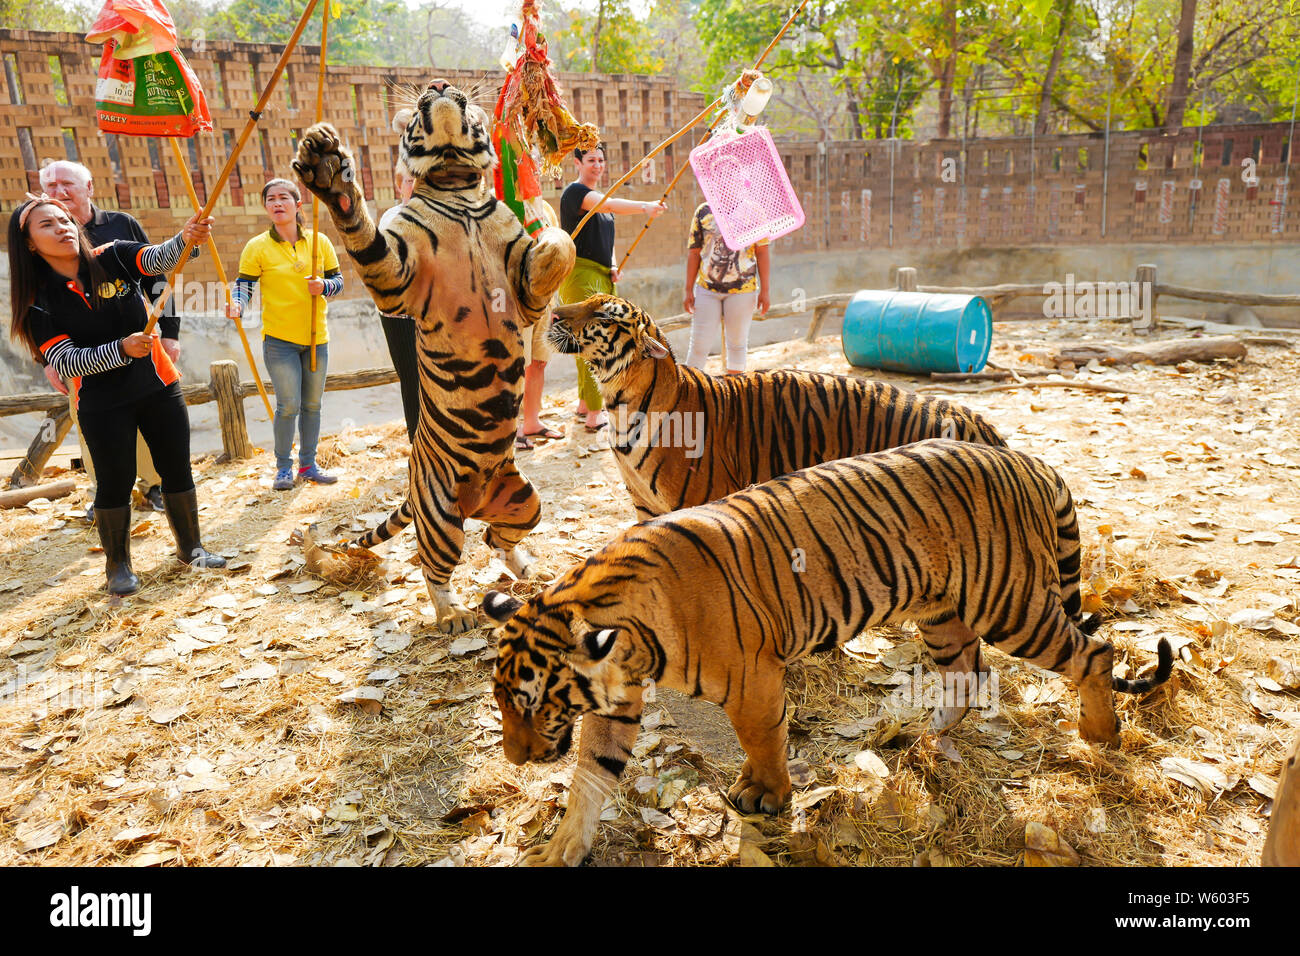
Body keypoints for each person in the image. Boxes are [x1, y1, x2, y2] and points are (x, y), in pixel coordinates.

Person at [7, 194, 227, 596]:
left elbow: (159, 259)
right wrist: (120, 350)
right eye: (48, 224)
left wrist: (186, 237)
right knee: (114, 481)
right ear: (29, 245)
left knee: (176, 469)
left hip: (158, 384)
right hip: (101, 403)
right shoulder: (38, 302)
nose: (63, 227)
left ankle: (192, 549)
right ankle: (118, 567)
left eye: (65, 219)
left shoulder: (114, 256)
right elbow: (67, 360)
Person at [39, 160, 192, 517]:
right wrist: (47, 359)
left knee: (152, 415)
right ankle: (106, 494)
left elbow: (157, 276)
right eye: (50, 188)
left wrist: (169, 333)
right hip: (84, 357)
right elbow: (38, 311)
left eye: (67, 185)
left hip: (141, 344)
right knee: (91, 423)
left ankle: (155, 486)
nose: (59, 194)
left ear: (89, 187)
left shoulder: (121, 226)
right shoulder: (43, 244)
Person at [226, 178, 345, 490]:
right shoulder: (257, 247)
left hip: (317, 338)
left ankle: (308, 464)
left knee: (313, 405)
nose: (276, 203)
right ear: (266, 208)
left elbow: (339, 281)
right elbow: (244, 284)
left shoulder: (320, 242)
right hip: (279, 341)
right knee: (288, 405)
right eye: (270, 199)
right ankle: (283, 468)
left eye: (283, 198)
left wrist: (324, 287)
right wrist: (237, 303)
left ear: (297, 205)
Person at [558, 143, 665, 431]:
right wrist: (644, 207)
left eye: (601, 160)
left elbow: (607, 236)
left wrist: (614, 265)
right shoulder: (575, 193)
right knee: (592, 342)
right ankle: (595, 414)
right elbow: (606, 203)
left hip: (602, 275)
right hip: (580, 275)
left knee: (589, 340)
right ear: (577, 163)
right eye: (591, 159)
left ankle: (584, 404)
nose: (597, 165)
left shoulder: (603, 203)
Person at [683, 202, 770, 374]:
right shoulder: (704, 211)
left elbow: (762, 251)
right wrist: (688, 290)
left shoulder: (754, 212)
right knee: (699, 345)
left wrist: (765, 291)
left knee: (737, 345)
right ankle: (688, 393)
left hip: (743, 290)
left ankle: (734, 396)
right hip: (707, 289)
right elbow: (694, 252)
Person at [515, 198, 564, 451]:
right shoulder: (498, 201)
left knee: (539, 361)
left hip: (544, 298)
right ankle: (512, 428)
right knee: (515, 365)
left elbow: (556, 255)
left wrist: (555, 301)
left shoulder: (544, 208)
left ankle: (532, 422)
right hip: (515, 300)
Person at [377, 161, 420, 441]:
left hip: (439, 310)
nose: (414, 186)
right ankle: (418, 441)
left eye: (420, 179)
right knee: (412, 378)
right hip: (401, 313)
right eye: (408, 181)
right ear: (399, 185)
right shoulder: (392, 217)